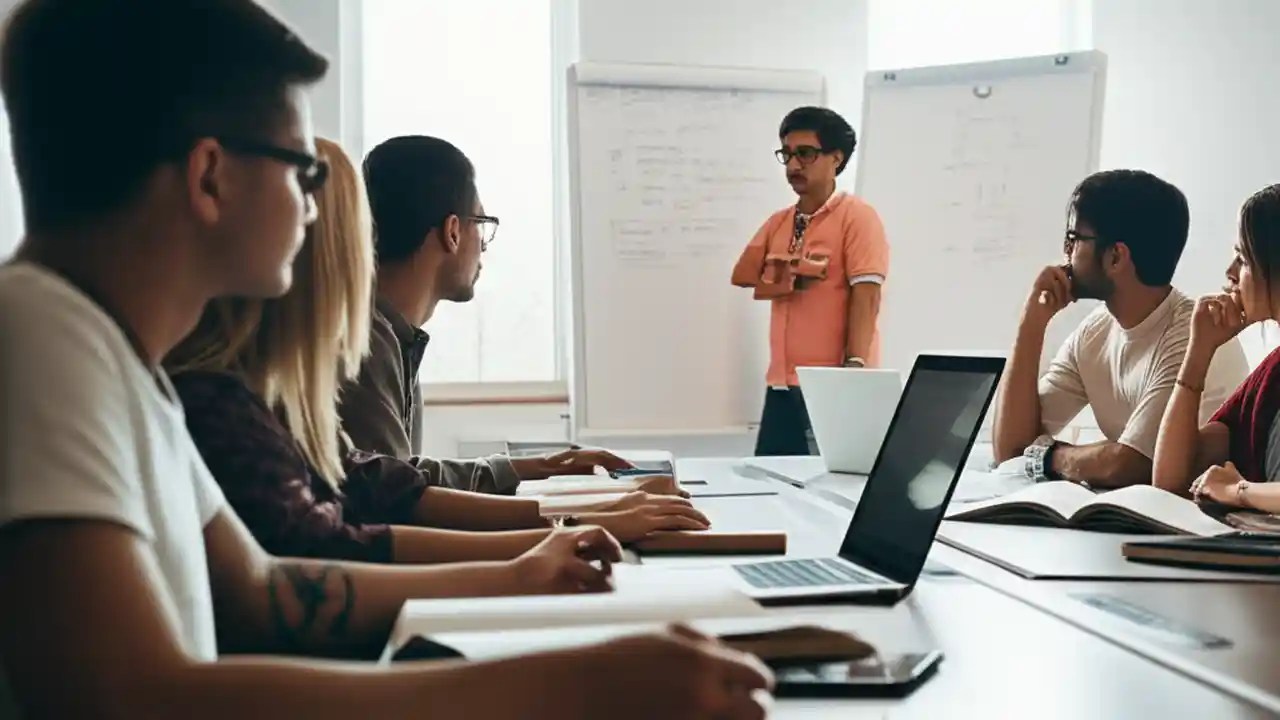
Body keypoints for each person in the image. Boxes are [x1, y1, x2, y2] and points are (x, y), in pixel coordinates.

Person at [0, 2, 771, 717]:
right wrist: (571, 681)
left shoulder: (121, 363)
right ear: (210, 176)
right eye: (303, 172)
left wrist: (518, 572)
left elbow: (262, 587)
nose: (317, 208)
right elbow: (136, 696)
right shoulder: (42, 339)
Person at [167, 136, 710, 564]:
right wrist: (570, 524)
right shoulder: (232, 393)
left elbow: (384, 487)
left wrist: (567, 510)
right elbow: (369, 528)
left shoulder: (281, 381)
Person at [342, 134, 677, 495]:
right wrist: (575, 517)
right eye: (480, 225)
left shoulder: (391, 333)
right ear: (453, 232)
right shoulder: (365, 342)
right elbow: (396, 501)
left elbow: (406, 478)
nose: (483, 246)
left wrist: (544, 467)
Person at [992, 170, 1250, 488]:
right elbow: (1011, 451)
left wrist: (1046, 456)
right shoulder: (1095, 332)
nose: (1066, 254)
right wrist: (1031, 324)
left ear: (1116, 257)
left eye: (1074, 239)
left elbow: (1130, 464)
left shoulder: (1191, 334)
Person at [731, 106, 889, 457]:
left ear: (836, 158)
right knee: (770, 487)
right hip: (782, 382)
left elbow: (867, 297)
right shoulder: (781, 220)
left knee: (830, 489)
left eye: (805, 154)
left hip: (831, 384)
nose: (792, 166)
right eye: (786, 155)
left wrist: (855, 368)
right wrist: (787, 268)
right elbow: (742, 274)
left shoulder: (857, 217)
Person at [1155, 185, 1280, 513]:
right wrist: (1199, 351)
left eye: (1243, 258)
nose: (1230, 273)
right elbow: (1169, 480)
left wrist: (1239, 491)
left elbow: (1227, 487)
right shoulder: (1270, 376)